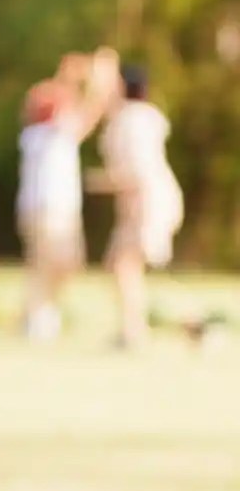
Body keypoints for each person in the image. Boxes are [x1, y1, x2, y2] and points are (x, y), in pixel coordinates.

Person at [16, 49, 120, 342]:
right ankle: (37, 317)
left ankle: (37, 312)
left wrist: (72, 76)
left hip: (55, 209)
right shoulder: (48, 133)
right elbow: (90, 109)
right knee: (49, 263)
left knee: (63, 264)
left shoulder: (47, 132)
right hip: (47, 209)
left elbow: (73, 105)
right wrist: (102, 78)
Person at [88, 64, 183, 348]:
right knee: (121, 267)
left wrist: (99, 182)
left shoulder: (131, 121)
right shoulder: (135, 118)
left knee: (125, 267)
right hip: (145, 203)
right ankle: (135, 328)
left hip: (148, 204)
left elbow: (137, 173)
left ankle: (139, 330)